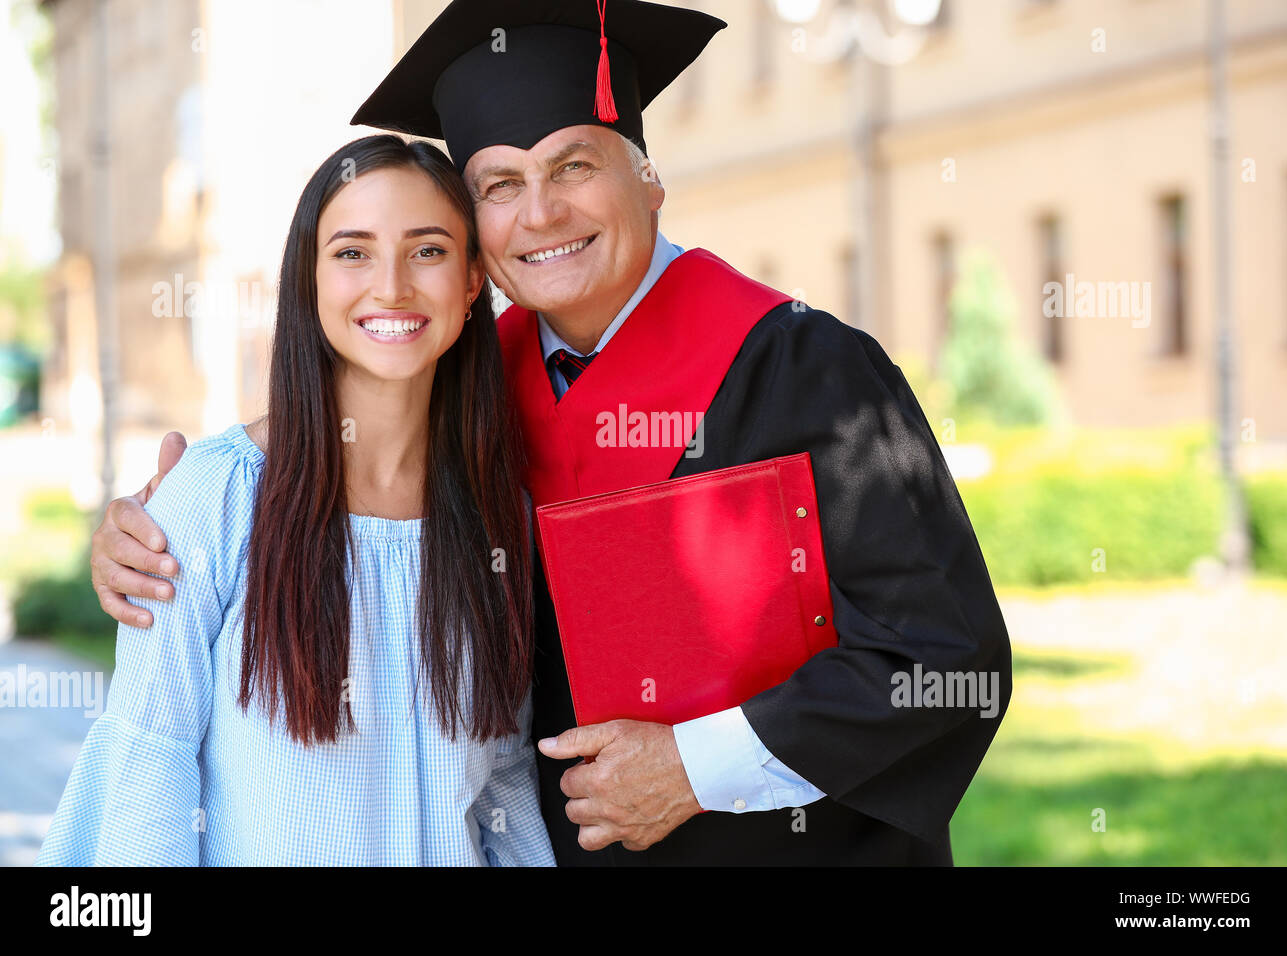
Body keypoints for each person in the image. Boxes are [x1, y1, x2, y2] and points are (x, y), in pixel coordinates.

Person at [90, 0, 1012, 866]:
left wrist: (695, 767)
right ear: (479, 232)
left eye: (574, 165)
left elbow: (947, 658)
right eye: (500, 184)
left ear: (648, 180)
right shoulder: (474, 395)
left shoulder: (808, 370)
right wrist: (156, 531)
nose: (541, 214)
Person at [42, 135, 554, 866]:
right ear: (308, 280)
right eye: (352, 252)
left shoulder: (496, 521)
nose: (391, 286)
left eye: (429, 250)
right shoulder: (215, 497)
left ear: (474, 281)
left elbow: (500, 785)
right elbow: (148, 769)